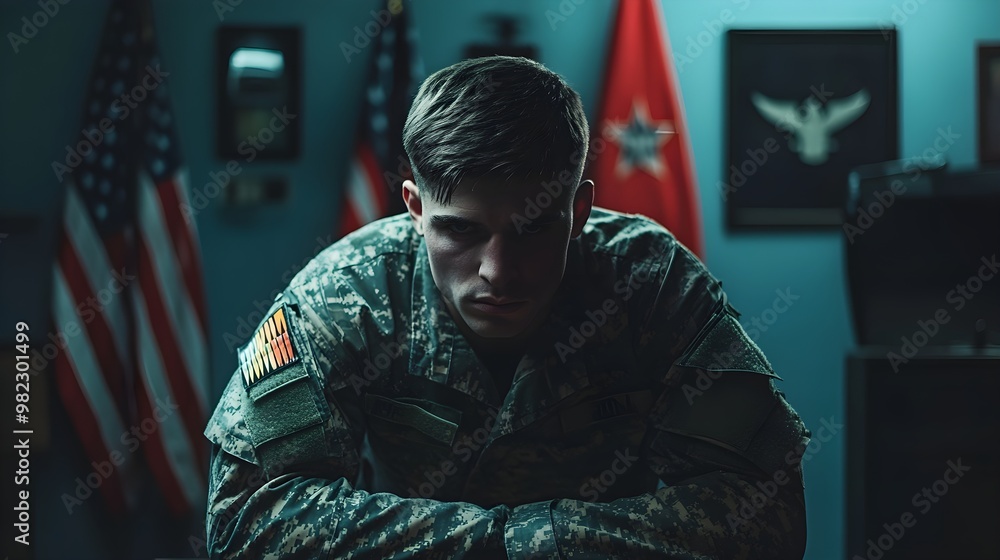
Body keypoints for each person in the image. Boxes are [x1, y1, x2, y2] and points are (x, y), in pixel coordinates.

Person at [204, 55, 810, 559]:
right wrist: (510, 544)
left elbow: (767, 513)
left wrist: (525, 540)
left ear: (577, 212)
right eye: (462, 232)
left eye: (531, 229)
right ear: (415, 209)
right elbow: (245, 521)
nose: (497, 271)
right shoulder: (348, 293)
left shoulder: (653, 285)